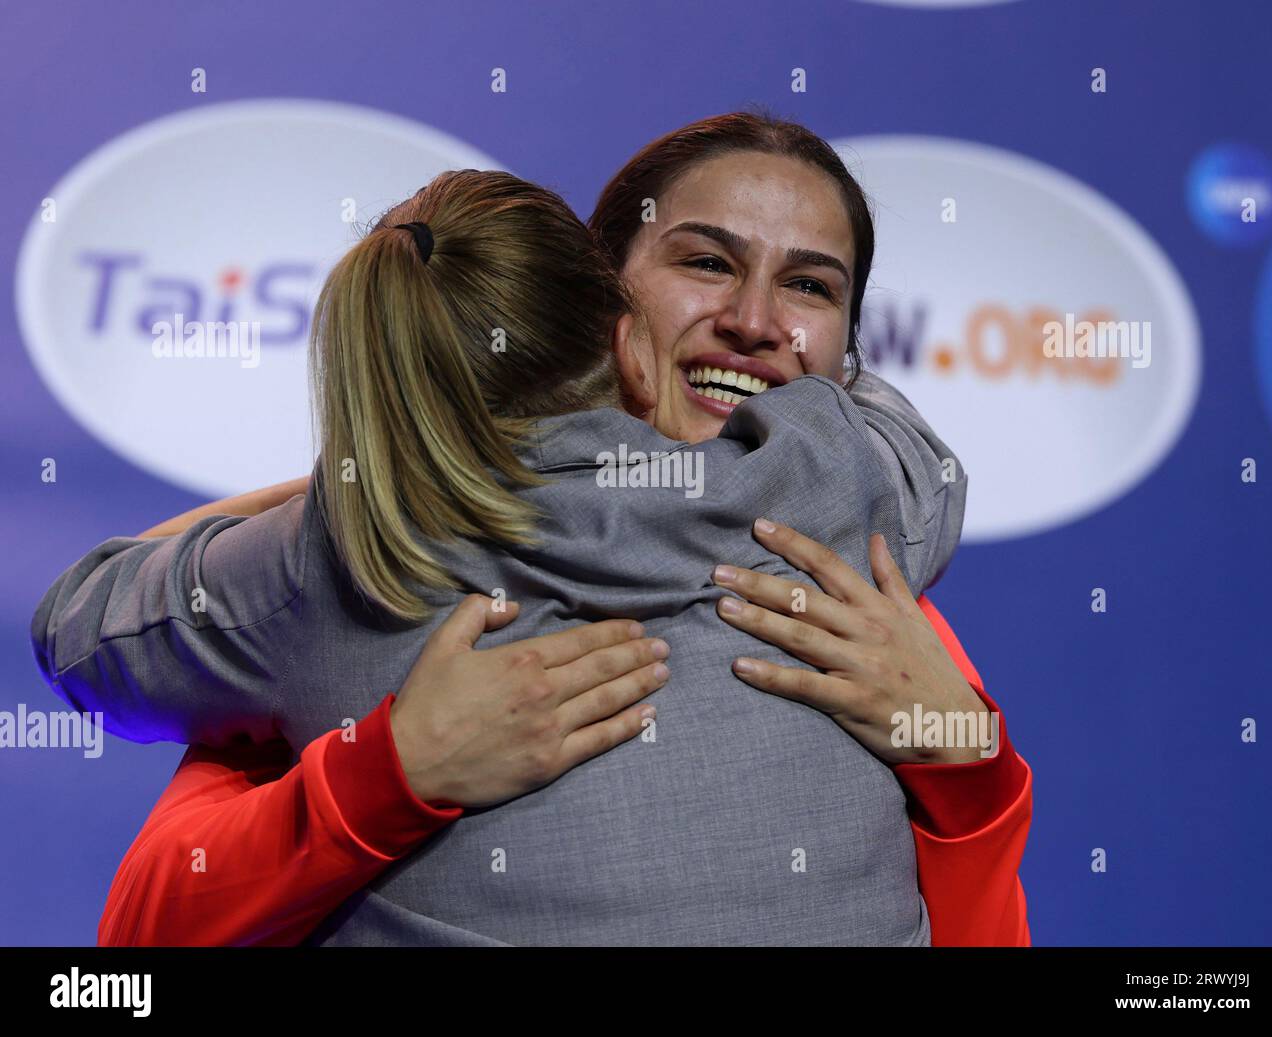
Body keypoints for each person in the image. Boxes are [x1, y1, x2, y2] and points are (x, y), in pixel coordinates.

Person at [37, 113, 1030, 944]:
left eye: (810, 286)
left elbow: (85, 624)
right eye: (703, 261)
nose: (756, 320)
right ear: (610, 307)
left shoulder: (872, 619)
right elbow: (146, 935)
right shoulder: (858, 501)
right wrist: (383, 775)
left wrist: (967, 758)